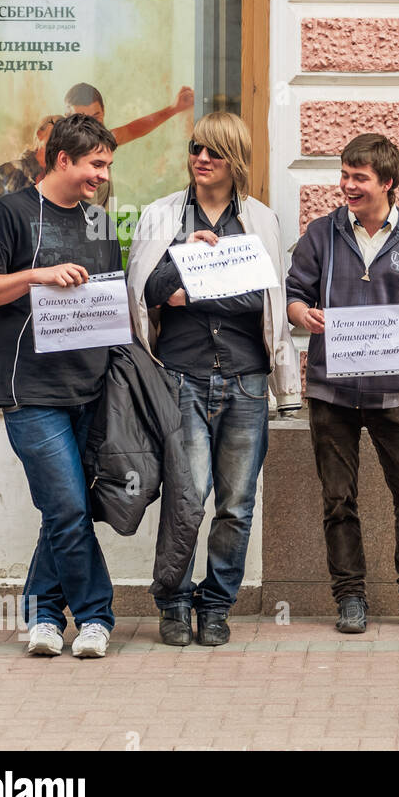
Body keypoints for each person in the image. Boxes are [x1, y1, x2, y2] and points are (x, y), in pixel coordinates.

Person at [127, 112, 302, 646]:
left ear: (235, 161)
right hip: (180, 377)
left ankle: (217, 603)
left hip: (247, 381)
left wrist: (196, 288)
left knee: (237, 502)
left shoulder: (262, 220)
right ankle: (174, 602)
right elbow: (146, 287)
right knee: (187, 497)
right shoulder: (162, 216)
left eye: (214, 152)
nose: (201, 159)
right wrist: (186, 264)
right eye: (196, 149)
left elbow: (262, 298)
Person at [0, 114, 122, 659]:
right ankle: (97, 616)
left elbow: (111, 298)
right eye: (95, 164)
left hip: (92, 391)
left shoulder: (101, 222)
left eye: (106, 165)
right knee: (68, 509)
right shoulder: (7, 214)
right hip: (30, 392)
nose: (102, 175)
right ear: (62, 159)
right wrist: (36, 276)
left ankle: (45, 616)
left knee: (64, 509)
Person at [286, 133, 399, 633]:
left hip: (396, 392)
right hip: (329, 391)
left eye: (359, 178)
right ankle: (350, 599)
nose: (347, 185)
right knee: (339, 499)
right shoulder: (321, 233)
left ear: (388, 183)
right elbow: (294, 294)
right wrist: (303, 314)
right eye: (344, 174)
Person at [64, 82, 196, 208]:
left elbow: (134, 129)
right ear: (67, 118)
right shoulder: (62, 156)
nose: (90, 127)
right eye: (81, 120)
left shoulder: (104, 141)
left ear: (104, 112)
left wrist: (174, 108)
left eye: (96, 118)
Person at [0, 114, 61, 224]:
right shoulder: (14, 171)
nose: (56, 147)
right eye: (52, 140)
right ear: (39, 136)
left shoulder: (61, 178)